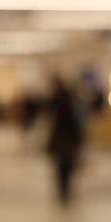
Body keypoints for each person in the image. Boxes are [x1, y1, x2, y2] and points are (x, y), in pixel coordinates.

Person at [45, 77, 85, 205]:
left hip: (63, 140)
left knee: (62, 167)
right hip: (66, 140)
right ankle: (64, 190)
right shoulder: (71, 103)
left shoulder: (59, 103)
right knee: (65, 167)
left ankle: (63, 190)